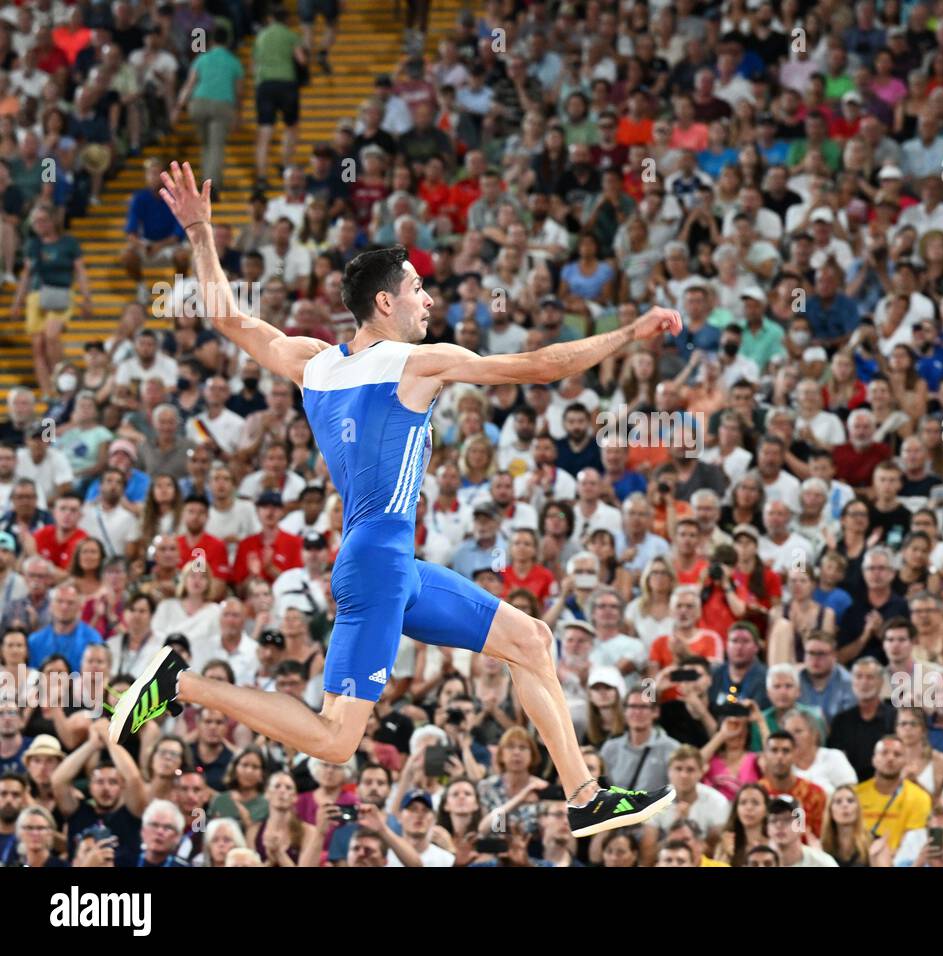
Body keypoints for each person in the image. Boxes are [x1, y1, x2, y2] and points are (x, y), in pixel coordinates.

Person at [110, 162, 681, 839]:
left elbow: (226, 316)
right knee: (333, 741)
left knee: (531, 639)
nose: (426, 300)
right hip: (378, 564)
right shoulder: (417, 363)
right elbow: (539, 365)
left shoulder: (313, 363)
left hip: (389, 562)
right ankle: (179, 684)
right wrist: (626, 333)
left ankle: (583, 792)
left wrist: (201, 232)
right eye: (416, 288)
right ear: (385, 303)